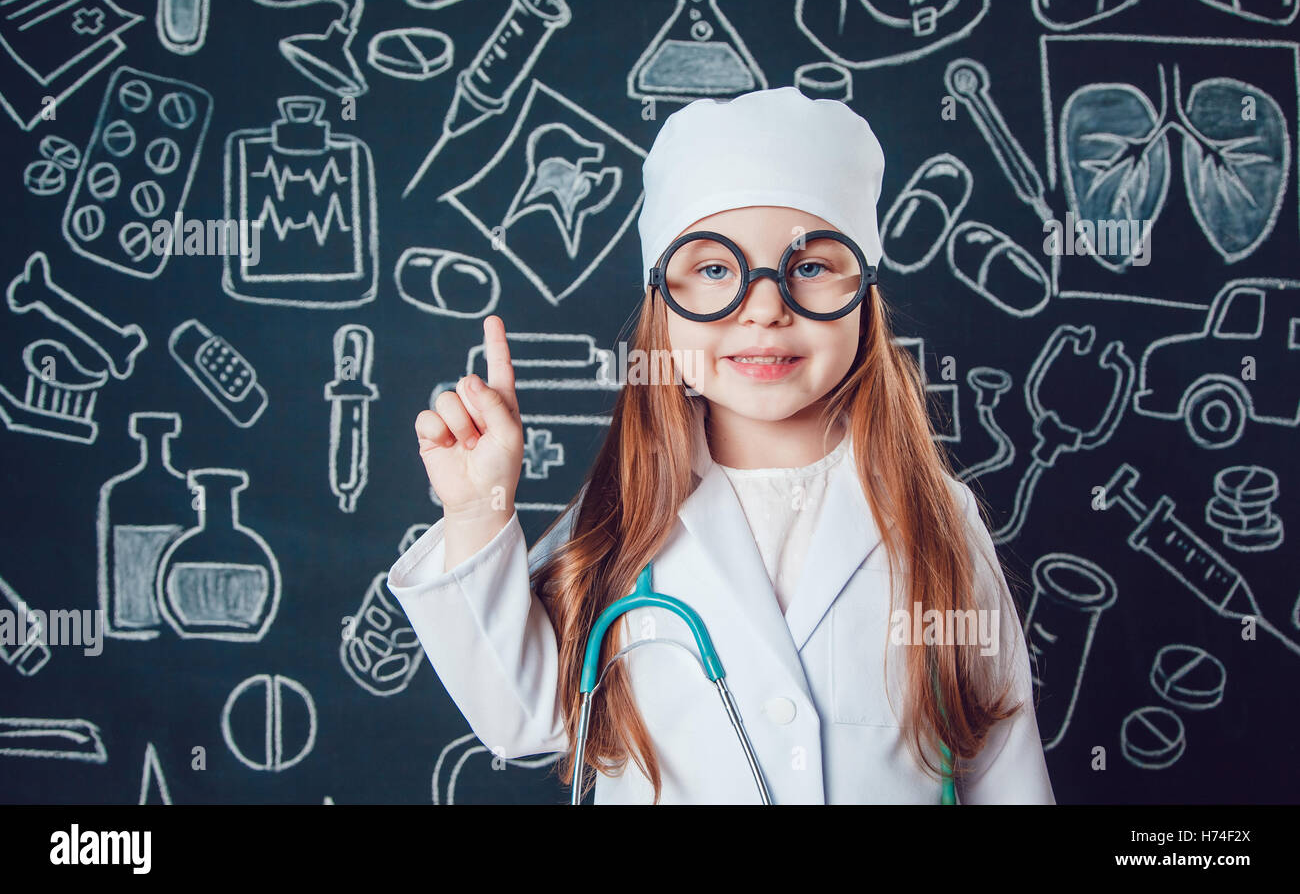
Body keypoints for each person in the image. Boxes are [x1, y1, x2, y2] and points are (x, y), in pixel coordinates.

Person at [388, 86, 1056, 804]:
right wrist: (475, 512)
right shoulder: (625, 517)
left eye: (810, 266)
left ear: (864, 295)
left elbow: (1004, 766)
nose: (765, 308)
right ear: (662, 305)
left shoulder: (939, 521)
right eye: (713, 271)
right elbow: (523, 720)